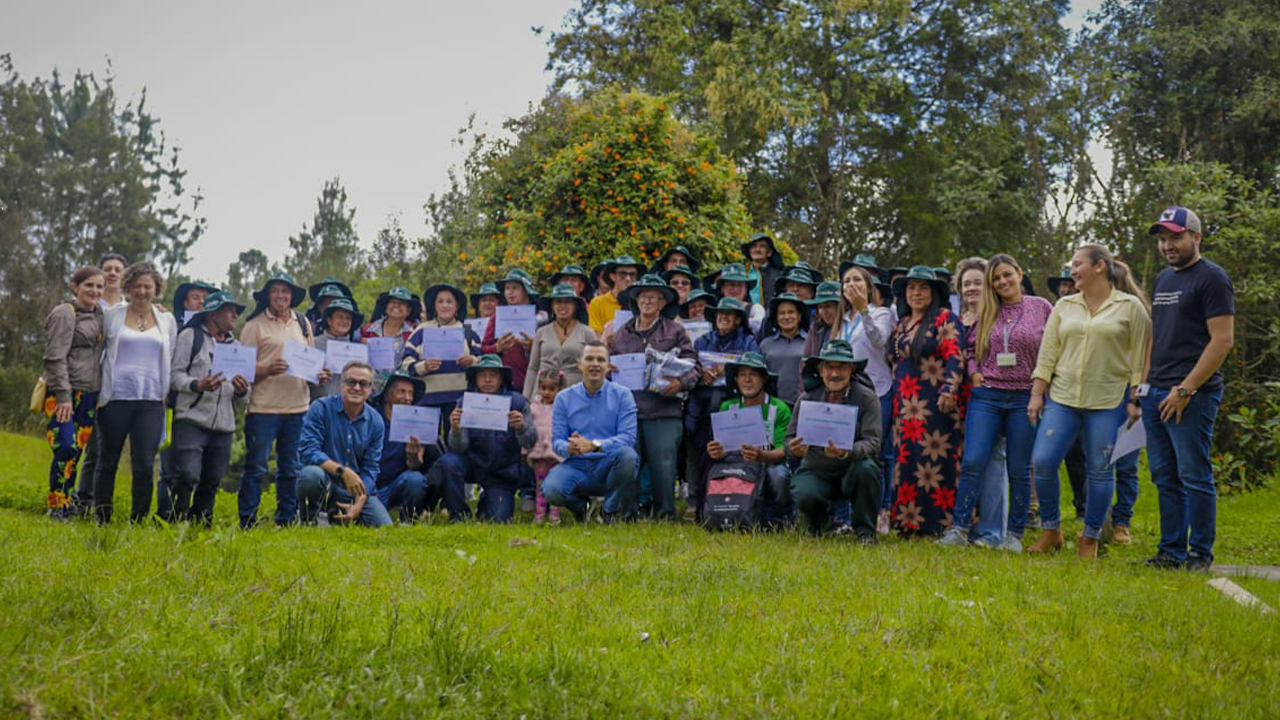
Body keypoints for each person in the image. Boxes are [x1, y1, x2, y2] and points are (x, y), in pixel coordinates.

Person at [1028, 244, 1150, 559]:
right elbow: (1048, 353)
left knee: (1099, 469)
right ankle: (1051, 530)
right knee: (1042, 461)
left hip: (1108, 400)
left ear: (1099, 267)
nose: (1072, 271)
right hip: (1063, 398)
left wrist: (1137, 398)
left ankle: (1090, 538)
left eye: (1078, 264)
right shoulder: (1064, 306)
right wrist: (1037, 393)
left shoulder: (1130, 306)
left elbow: (1143, 355)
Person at [938, 255, 1053, 551]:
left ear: (1019, 274)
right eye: (996, 279)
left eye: (1006, 275)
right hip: (987, 397)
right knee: (974, 461)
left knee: (1018, 466)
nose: (1002, 282)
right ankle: (960, 530)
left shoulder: (1041, 307)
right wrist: (975, 373)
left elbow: (1055, 345)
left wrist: (1044, 385)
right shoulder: (988, 310)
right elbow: (971, 348)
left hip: (1024, 398)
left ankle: (1013, 535)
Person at [1142, 206, 1235, 571]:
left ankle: (1199, 554)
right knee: (1164, 476)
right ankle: (1171, 551)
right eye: (1163, 239)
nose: (1168, 245)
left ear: (1196, 237)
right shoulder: (1164, 279)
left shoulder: (1212, 278)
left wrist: (1185, 389)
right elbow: (1157, 335)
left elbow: (1222, 341)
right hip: (1156, 393)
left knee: (1193, 475)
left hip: (1192, 395)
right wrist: (1145, 384)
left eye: (1176, 237)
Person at [239, 273, 331, 529]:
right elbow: (240, 369)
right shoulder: (254, 325)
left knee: (290, 468)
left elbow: (311, 365)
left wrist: (319, 376)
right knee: (256, 467)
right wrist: (265, 368)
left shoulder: (302, 323)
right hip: (263, 408)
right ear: (267, 295)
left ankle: (286, 519)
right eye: (276, 291)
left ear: (292, 296)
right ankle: (247, 521)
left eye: (286, 291)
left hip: (298, 407)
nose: (281, 296)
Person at [92, 262, 178, 523]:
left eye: (148, 286)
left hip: (151, 402)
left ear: (157, 289)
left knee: (143, 465)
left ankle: (138, 519)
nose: (142, 291)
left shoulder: (167, 319)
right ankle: (102, 518)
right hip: (115, 398)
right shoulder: (112, 316)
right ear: (128, 287)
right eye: (137, 286)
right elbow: (99, 351)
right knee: (107, 461)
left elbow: (170, 357)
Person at [608, 275, 698, 518]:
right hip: (629, 410)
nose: (647, 301)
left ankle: (665, 514)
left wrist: (679, 383)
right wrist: (608, 370)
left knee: (664, 466)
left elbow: (694, 367)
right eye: (643, 296)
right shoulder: (620, 334)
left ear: (662, 303)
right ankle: (627, 514)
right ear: (635, 301)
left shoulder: (676, 331)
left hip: (664, 410)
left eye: (653, 297)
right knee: (627, 463)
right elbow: (610, 369)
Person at [888, 266, 967, 537]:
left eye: (923, 288)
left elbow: (956, 355)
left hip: (936, 403)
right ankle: (908, 523)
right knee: (907, 462)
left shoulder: (945, 319)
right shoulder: (903, 323)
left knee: (935, 462)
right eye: (911, 288)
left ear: (933, 293)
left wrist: (950, 388)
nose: (916, 293)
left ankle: (938, 524)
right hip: (905, 407)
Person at [165, 291, 250, 525]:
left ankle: (201, 523)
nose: (235, 314)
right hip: (191, 418)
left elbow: (245, 396)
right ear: (212, 313)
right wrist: (197, 385)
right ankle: (175, 520)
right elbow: (174, 376)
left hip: (224, 424)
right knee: (187, 474)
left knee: (212, 479)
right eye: (229, 310)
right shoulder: (190, 337)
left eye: (236, 311)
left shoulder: (238, 347)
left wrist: (242, 390)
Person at [786, 339, 882, 539]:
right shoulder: (806, 399)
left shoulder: (867, 398)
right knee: (804, 491)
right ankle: (822, 525)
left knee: (868, 469)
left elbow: (873, 442)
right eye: (829, 366)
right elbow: (788, 439)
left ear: (852, 369)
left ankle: (865, 533)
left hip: (852, 469)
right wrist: (794, 449)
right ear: (820, 370)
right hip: (817, 469)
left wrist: (846, 451)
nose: (835, 373)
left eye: (842, 367)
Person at [541, 341, 640, 522]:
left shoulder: (623, 395)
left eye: (600, 359)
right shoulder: (564, 398)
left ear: (608, 366)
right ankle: (582, 508)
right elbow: (557, 441)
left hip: (609, 463)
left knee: (629, 457)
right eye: (589, 359)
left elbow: (628, 438)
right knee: (551, 489)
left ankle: (609, 509)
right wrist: (570, 448)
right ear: (580, 364)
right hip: (577, 464)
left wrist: (595, 445)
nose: (595, 364)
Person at [432, 354, 537, 522]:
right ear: (475, 378)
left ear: (502, 379)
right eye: (482, 375)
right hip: (472, 463)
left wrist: (521, 427)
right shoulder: (464, 402)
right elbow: (459, 448)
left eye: (493, 374)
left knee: (498, 520)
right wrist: (457, 429)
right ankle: (458, 514)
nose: (487, 379)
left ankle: (486, 503)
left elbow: (530, 442)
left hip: (502, 472)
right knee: (449, 461)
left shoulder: (517, 402)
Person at [834, 262, 896, 533]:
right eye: (847, 281)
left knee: (876, 454)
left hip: (877, 391)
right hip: (846, 393)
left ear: (869, 287)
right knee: (841, 451)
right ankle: (843, 517)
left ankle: (879, 514)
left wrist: (862, 309)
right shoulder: (841, 320)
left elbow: (879, 341)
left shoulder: (882, 313)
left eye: (857, 280)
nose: (852, 285)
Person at [686, 296, 759, 517]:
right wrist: (701, 374)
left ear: (738, 320)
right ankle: (696, 504)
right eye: (720, 313)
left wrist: (729, 369)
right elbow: (690, 368)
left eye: (729, 314)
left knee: (732, 456)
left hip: (734, 407)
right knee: (700, 455)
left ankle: (733, 501)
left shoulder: (748, 342)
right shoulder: (701, 341)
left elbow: (755, 366)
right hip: (702, 408)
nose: (724, 317)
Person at [42, 266, 105, 518]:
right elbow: (54, 357)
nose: (94, 290)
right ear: (75, 287)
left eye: (99, 286)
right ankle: (56, 502)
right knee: (65, 445)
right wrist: (63, 396)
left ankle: (67, 503)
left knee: (76, 451)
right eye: (89, 285)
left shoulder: (100, 313)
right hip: (63, 393)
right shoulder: (64, 313)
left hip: (90, 394)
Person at [297, 361, 391, 527]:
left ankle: (339, 516)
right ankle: (309, 520)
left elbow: (371, 467)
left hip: (354, 489)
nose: (356, 387)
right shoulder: (320, 408)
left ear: (371, 388)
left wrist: (360, 500)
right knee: (310, 475)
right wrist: (342, 471)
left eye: (363, 384)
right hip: (325, 480)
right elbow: (309, 450)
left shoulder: (376, 421)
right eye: (351, 382)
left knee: (384, 527)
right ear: (341, 384)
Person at [156, 279, 218, 521]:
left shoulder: (215, 332)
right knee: (169, 467)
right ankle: (164, 515)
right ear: (185, 302)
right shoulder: (173, 325)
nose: (201, 302)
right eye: (196, 297)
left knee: (192, 469)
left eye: (206, 298)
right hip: (170, 402)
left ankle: (189, 515)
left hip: (199, 408)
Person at [707, 352, 794, 526]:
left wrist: (761, 455)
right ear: (736, 380)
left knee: (779, 475)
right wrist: (716, 452)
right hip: (736, 464)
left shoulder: (779, 408)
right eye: (742, 375)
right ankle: (727, 517)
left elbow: (782, 452)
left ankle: (778, 520)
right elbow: (723, 449)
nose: (747, 380)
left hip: (768, 462)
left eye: (753, 374)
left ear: (763, 379)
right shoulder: (727, 407)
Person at [72, 253, 128, 513]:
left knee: (107, 449)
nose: (113, 273)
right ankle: (82, 500)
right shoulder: (89, 306)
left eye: (118, 269)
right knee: (88, 446)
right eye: (108, 269)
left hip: (117, 387)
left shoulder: (130, 309)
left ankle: (99, 501)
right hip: (89, 383)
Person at [401, 283, 481, 425]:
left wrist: (472, 361)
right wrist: (423, 366)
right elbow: (406, 363)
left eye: (449, 301)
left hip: (459, 401)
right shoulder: (421, 331)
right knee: (427, 444)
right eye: (440, 301)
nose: (445, 305)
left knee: (456, 443)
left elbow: (482, 362)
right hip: (427, 400)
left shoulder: (469, 332)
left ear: (457, 306)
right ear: (434, 306)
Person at [368, 370, 439, 522]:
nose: (407, 398)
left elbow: (415, 465)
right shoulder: (371, 418)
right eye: (402, 392)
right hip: (368, 487)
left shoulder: (418, 423)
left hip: (396, 485)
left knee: (416, 479)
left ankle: (408, 518)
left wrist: (412, 456)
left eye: (411, 393)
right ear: (387, 395)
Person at [1046, 266, 1087, 521]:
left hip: (1082, 391)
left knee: (1079, 453)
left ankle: (1084, 507)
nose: (1064, 288)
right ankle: (1046, 515)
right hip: (1051, 389)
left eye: (1069, 283)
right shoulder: (1052, 312)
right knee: (1046, 455)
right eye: (1061, 284)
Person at [525, 284, 599, 399]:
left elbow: (594, 367)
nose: (562, 306)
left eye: (567, 302)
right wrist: (526, 397)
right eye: (558, 302)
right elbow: (533, 368)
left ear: (575, 305)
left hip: (575, 391)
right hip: (543, 392)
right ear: (552, 306)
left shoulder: (587, 333)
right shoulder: (541, 332)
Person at [482, 269, 545, 394]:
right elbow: (484, 348)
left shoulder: (541, 317)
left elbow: (551, 350)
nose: (510, 292)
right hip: (504, 384)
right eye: (507, 288)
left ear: (526, 290)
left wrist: (533, 347)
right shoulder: (497, 317)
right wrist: (497, 347)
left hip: (537, 384)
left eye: (515, 287)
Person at [361, 286, 421, 392]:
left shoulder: (415, 333)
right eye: (393, 302)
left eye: (402, 303)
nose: (396, 305)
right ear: (386, 307)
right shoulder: (368, 330)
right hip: (369, 390)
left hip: (401, 391)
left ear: (408, 311)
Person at [529, 369, 567, 525]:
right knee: (540, 485)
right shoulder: (533, 408)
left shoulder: (562, 408)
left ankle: (554, 514)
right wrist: (526, 451)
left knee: (555, 485)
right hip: (539, 454)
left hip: (556, 454)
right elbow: (529, 429)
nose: (547, 392)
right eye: (543, 388)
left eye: (552, 389)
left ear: (559, 389)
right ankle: (539, 514)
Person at [758, 292, 809, 405]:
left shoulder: (811, 342)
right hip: (772, 405)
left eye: (791, 312)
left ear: (799, 316)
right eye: (781, 313)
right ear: (776, 318)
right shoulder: (765, 344)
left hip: (802, 404)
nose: (786, 317)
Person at [310, 297, 365, 400]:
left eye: (348, 318)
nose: (344, 321)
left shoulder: (358, 351)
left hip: (347, 407)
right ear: (329, 320)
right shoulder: (313, 343)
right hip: (317, 405)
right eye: (340, 317)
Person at [588, 255, 645, 334]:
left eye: (632, 274)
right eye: (622, 274)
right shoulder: (598, 303)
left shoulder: (642, 302)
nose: (628, 278)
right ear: (613, 276)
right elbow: (596, 336)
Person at [710, 264, 767, 335]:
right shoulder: (714, 310)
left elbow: (759, 324)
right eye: (731, 284)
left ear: (746, 289)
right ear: (722, 288)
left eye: (740, 285)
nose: (735, 289)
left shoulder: (755, 309)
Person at [742, 232, 786, 306]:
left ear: (769, 253)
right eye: (754, 246)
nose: (757, 249)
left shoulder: (779, 275)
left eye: (762, 246)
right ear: (749, 251)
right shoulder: (741, 273)